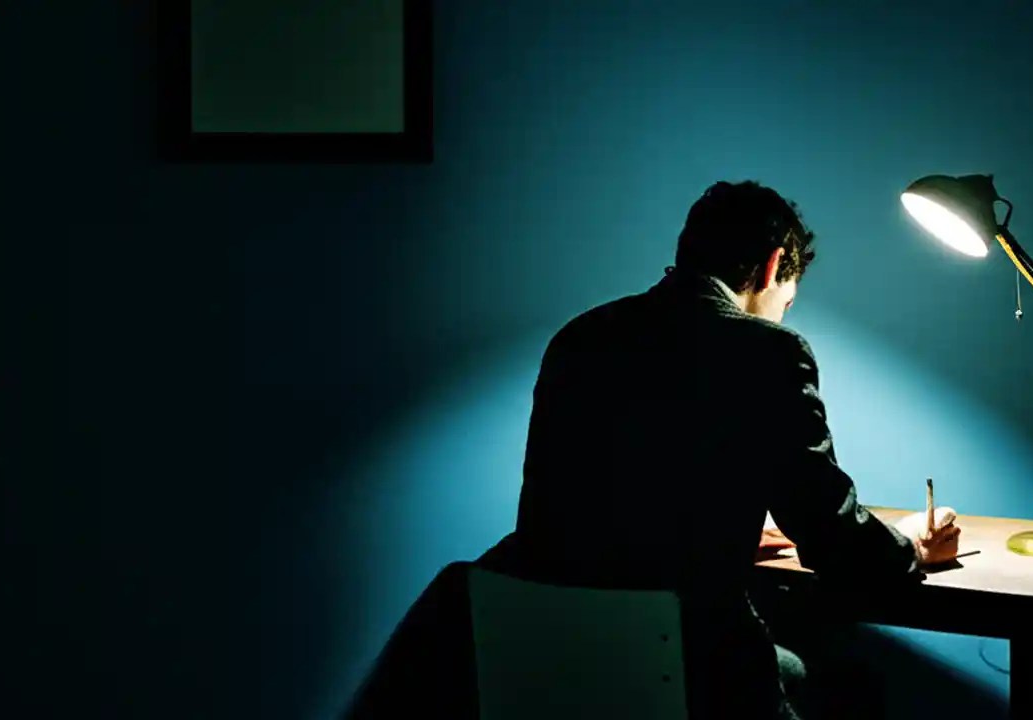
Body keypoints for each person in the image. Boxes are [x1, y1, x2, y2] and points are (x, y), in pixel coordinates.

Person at [343, 180, 959, 720]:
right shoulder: (769, 352)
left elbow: (585, 503)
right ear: (773, 268)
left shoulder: (580, 338)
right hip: (691, 666)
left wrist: (725, 529)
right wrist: (911, 551)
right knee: (854, 687)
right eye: (786, 301)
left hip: (549, 654)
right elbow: (826, 529)